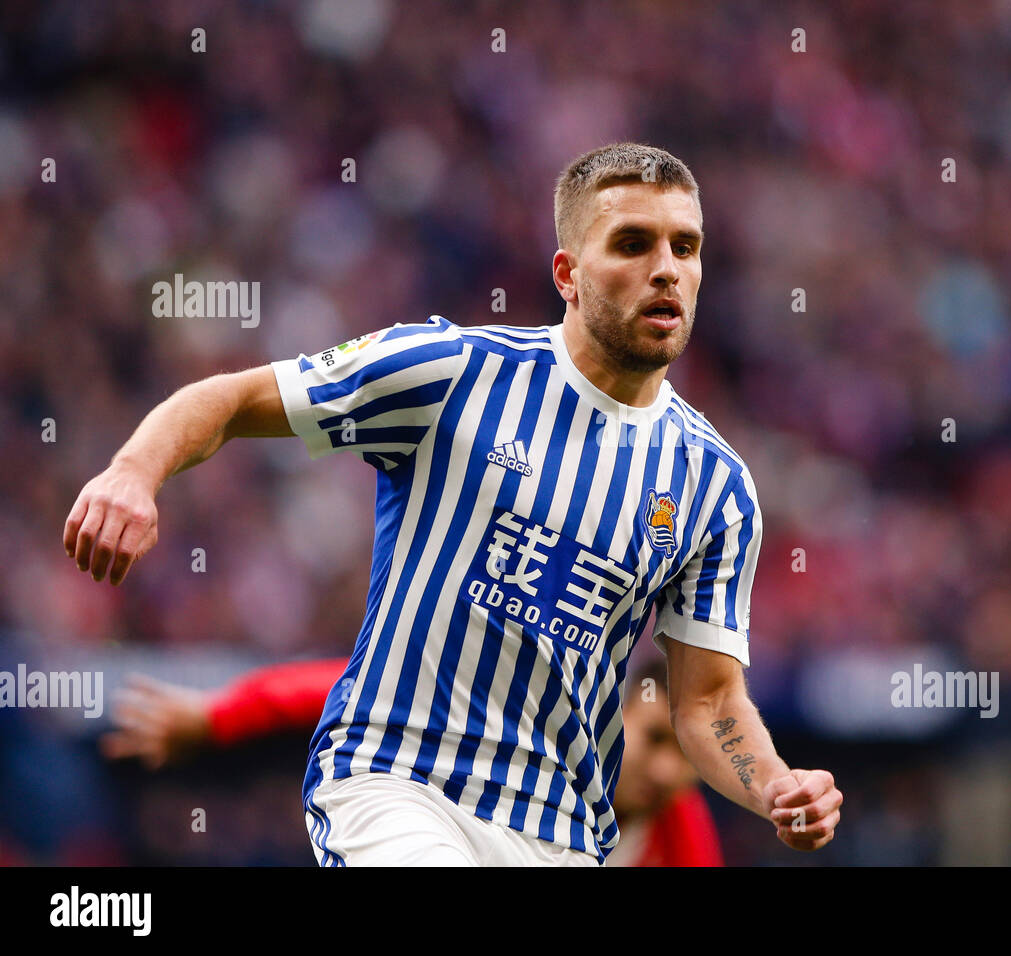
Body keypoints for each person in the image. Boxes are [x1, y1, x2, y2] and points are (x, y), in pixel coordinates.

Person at [64, 142, 842, 866]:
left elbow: (707, 701)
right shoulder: (452, 372)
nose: (667, 269)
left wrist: (773, 783)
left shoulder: (715, 486)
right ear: (568, 274)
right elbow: (234, 398)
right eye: (634, 244)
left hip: (562, 833)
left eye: (686, 246)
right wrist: (132, 473)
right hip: (398, 784)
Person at [102, 655, 724, 866]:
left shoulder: (679, 829)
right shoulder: (519, 733)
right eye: (655, 741)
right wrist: (216, 719)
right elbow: (357, 688)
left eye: (689, 754)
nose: (668, 772)